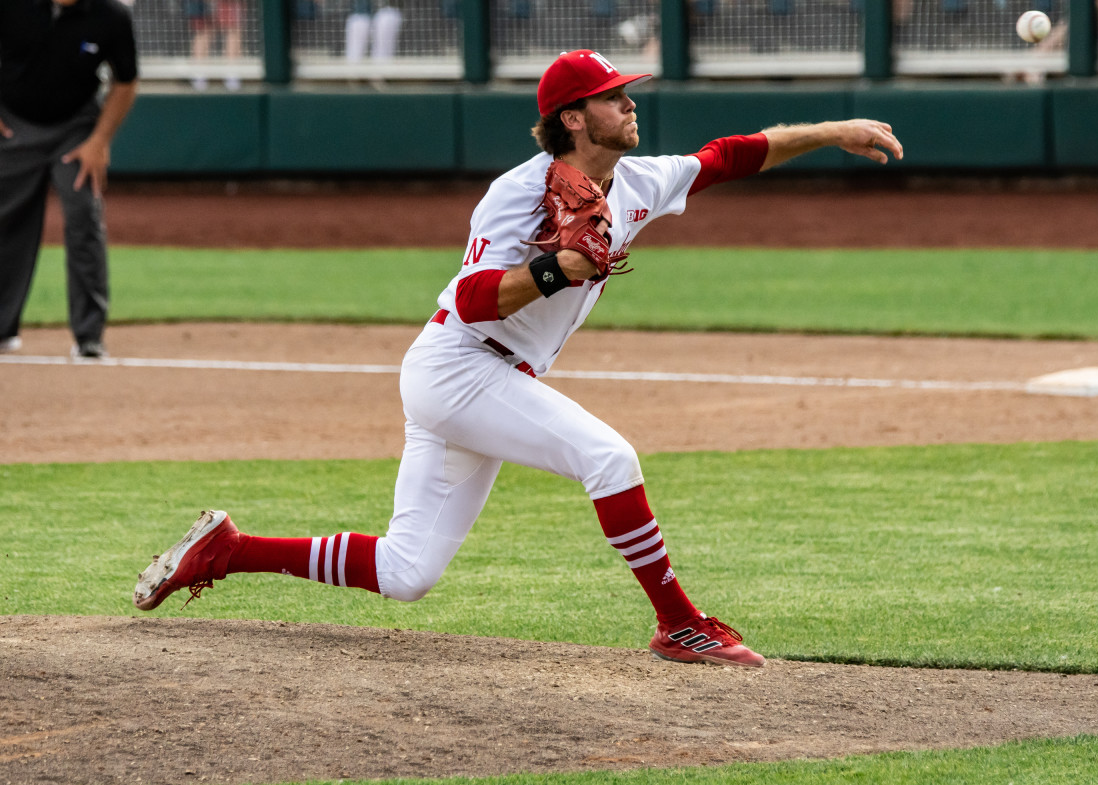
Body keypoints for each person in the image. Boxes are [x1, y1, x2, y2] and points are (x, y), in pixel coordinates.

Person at [132, 49, 902, 667]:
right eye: (613, 96)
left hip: (493, 379)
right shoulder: (517, 192)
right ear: (573, 116)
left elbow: (731, 155)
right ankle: (680, 624)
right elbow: (469, 300)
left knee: (408, 573)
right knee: (609, 457)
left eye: (627, 92)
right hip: (458, 366)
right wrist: (549, 271)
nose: (630, 103)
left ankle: (228, 550)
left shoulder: (637, 179)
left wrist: (834, 129)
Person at [0, 0, 139, 359]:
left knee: (83, 217)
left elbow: (125, 82)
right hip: (13, 123)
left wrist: (99, 141)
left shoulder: (111, 16)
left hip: (75, 129)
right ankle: (2, 329)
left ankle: (89, 337)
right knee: (6, 219)